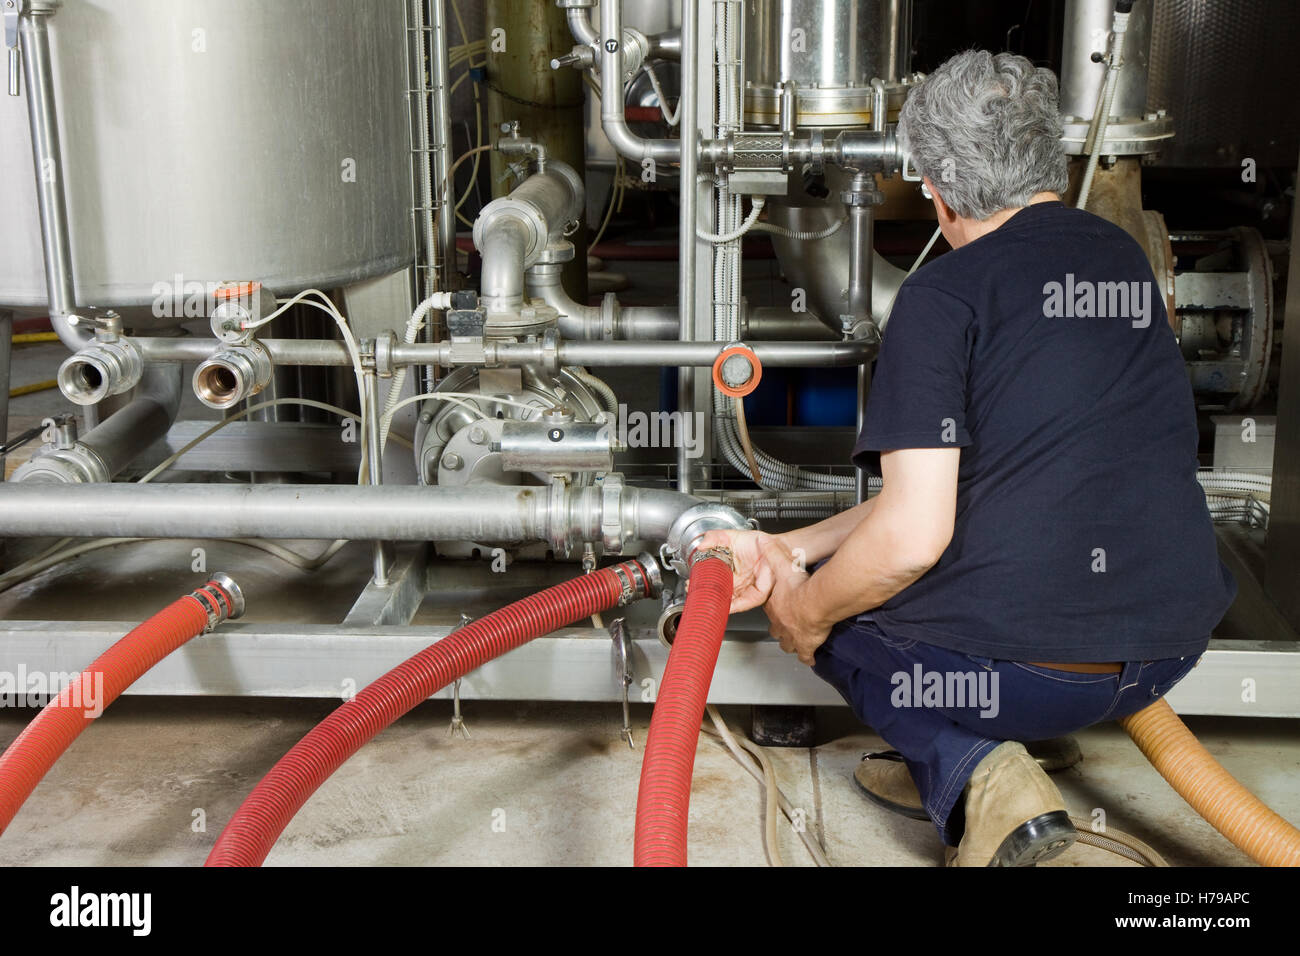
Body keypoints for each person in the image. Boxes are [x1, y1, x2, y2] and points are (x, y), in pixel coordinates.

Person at [698, 50, 1236, 867]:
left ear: (934, 188)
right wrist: (792, 547)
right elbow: (978, 487)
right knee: (872, 575)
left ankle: (982, 772)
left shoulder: (943, 294)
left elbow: (912, 537)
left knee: (847, 620)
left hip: (1034, 675)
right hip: (1169, 652)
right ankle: (1016, 730)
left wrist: (801, 607)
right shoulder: (1120, 258)